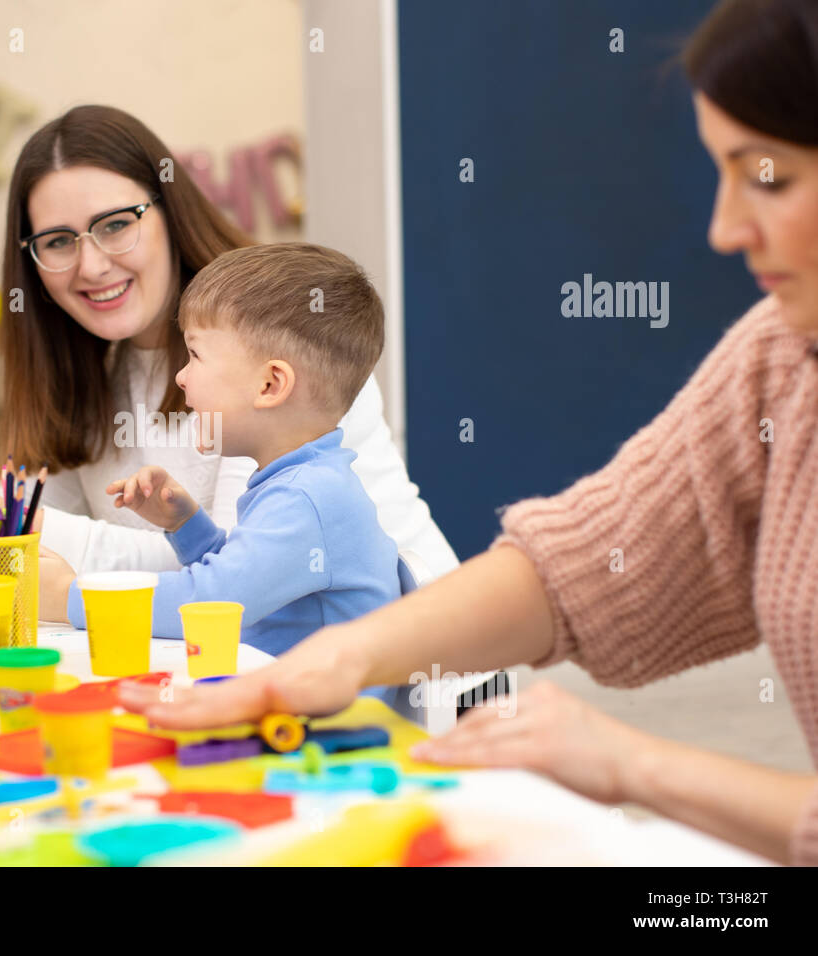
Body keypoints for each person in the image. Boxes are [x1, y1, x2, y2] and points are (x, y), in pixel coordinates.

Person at [120, 0, 818, 866]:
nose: (723, 228)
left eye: (769, 177)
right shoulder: (784, 358)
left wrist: (633, 764)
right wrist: (342, 657)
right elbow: (591, 561)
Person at [0, 105, 458, 579]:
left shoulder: (275, 338)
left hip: (417, 670)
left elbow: (239, 567)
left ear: (169, 210)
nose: (91, 265)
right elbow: (53, 548)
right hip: (256, 667)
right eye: (59, 241)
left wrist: (6, 524)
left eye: (115, 225)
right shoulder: (84, 369)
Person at [41, 243, 400, 656]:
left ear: (269, 385)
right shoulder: (302, 482)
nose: (180, 376)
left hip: (324, 719)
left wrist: (70, 598)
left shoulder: (307, 499)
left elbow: (212, 602)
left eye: (195, 355)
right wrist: (185, 525)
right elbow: (241, 579)